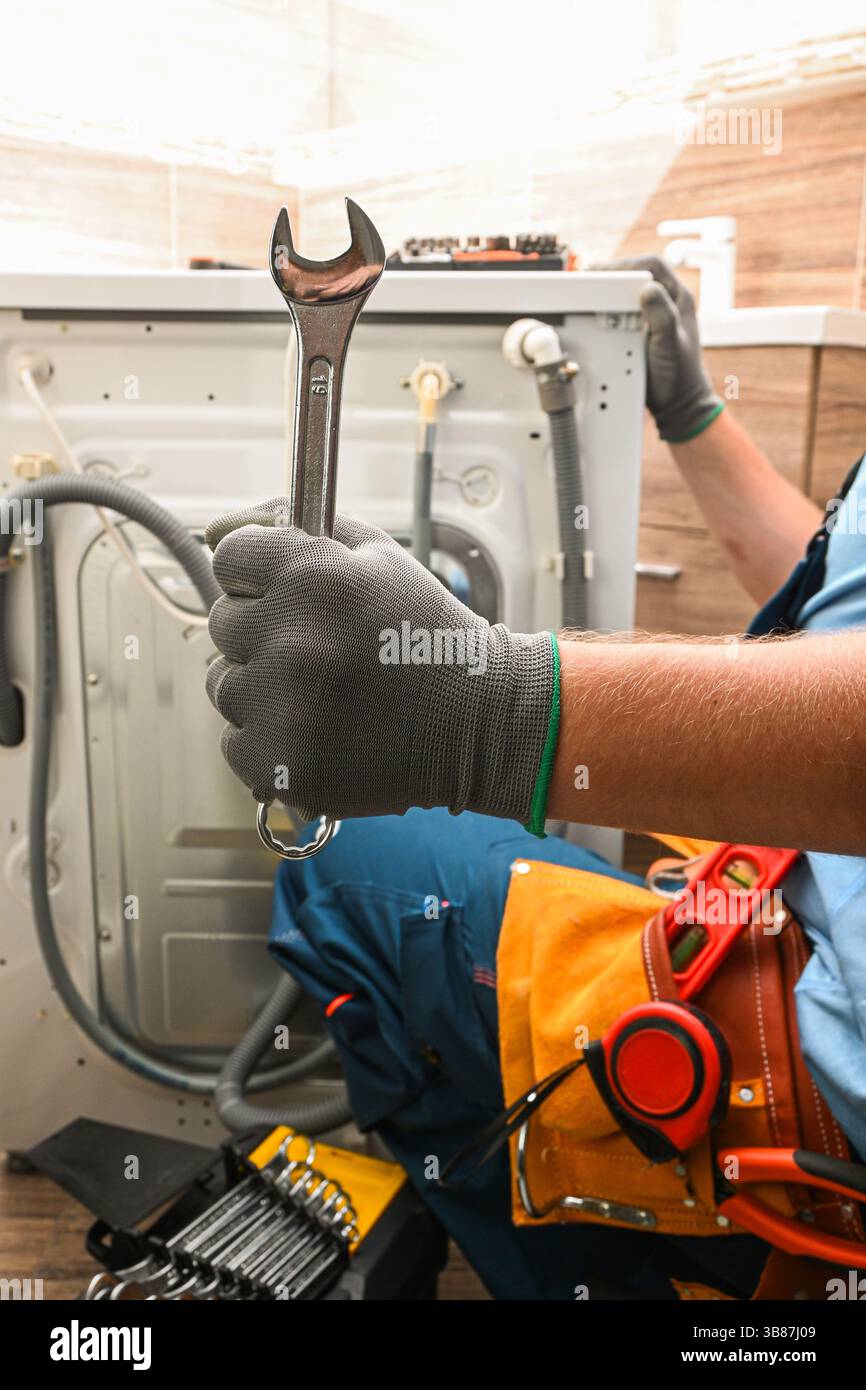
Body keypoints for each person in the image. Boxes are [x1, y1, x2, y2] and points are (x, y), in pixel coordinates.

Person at [205, 259, 866, 1299]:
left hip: (810, 1092)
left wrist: (489, 710)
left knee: (346, 870)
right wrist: (691, 412)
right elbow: (844, 612)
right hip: (785, 929)